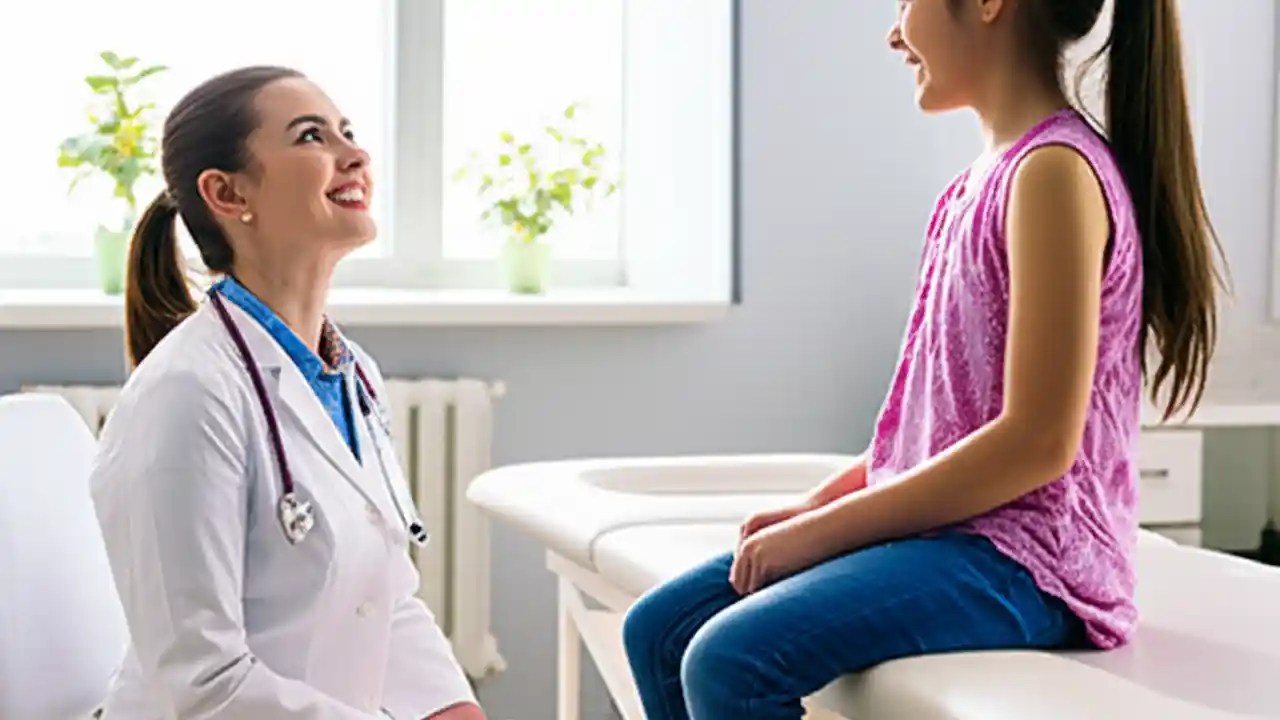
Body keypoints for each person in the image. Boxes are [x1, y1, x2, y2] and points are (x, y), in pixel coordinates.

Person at [621, 0, 1227, 718]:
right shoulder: (974, 188)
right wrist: (816, 508)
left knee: (731, 660)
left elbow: (1037, 443)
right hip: (962, 538)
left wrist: (818, 535)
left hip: (1033, 562)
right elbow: (929, 433)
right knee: (657, 630)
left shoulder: (1054, 176)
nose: (893, 30)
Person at [89, 66, 486, 720]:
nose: (353, 154)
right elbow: (202, 684)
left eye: (348, 132)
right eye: (311, 137)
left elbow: (384, 600)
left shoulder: (352, 374)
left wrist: (452, 710)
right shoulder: (186, 395)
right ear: (225, 192)